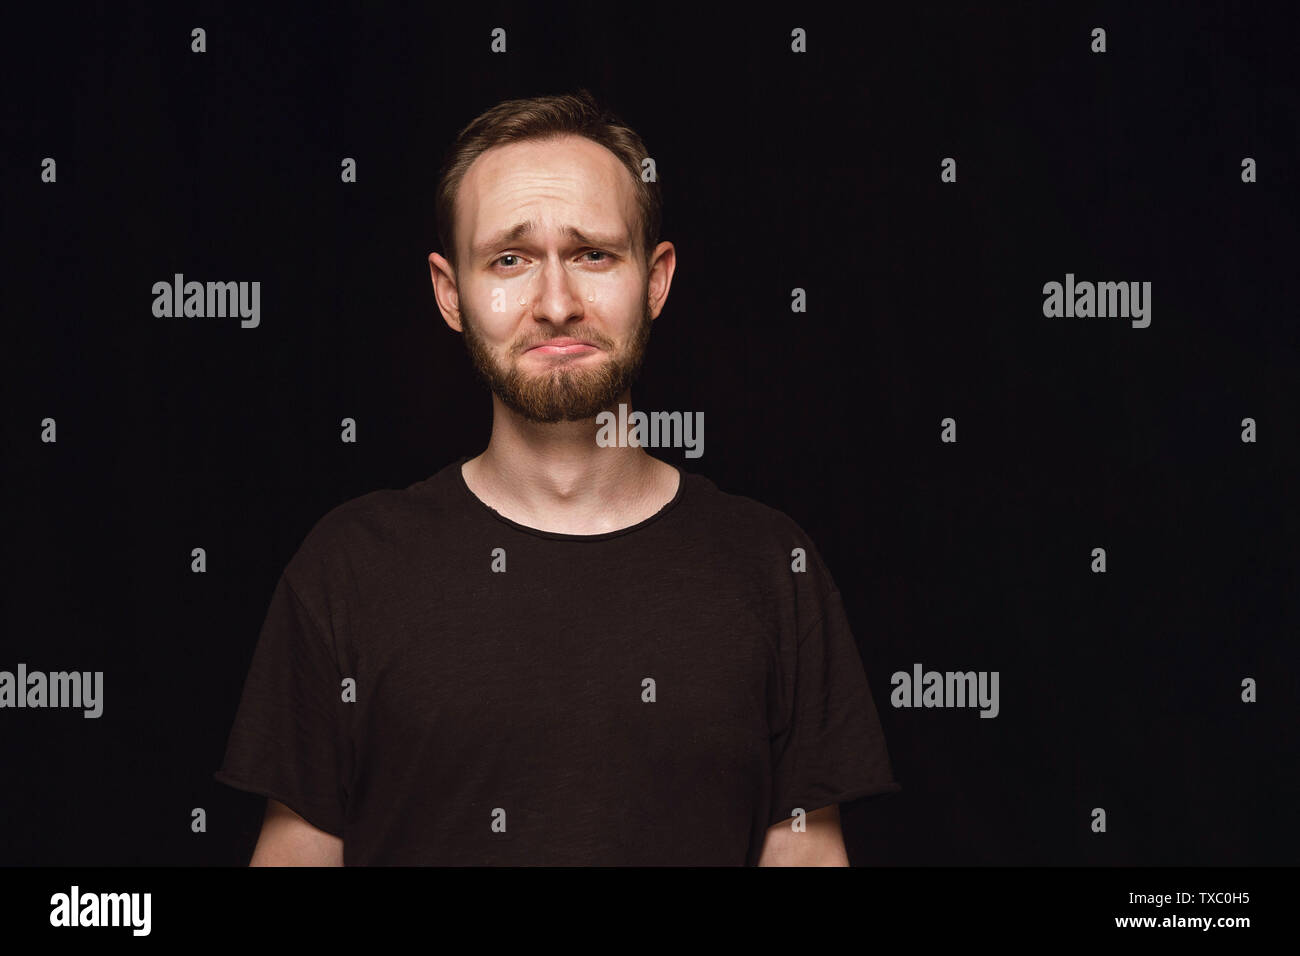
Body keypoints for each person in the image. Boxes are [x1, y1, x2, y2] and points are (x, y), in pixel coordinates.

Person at [214, 89, 900, 865]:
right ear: (450, 294)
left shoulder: (774, 567)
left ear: (656, 279)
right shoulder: (346, 568)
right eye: (510, 259)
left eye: (593, 255)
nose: (556, 303)